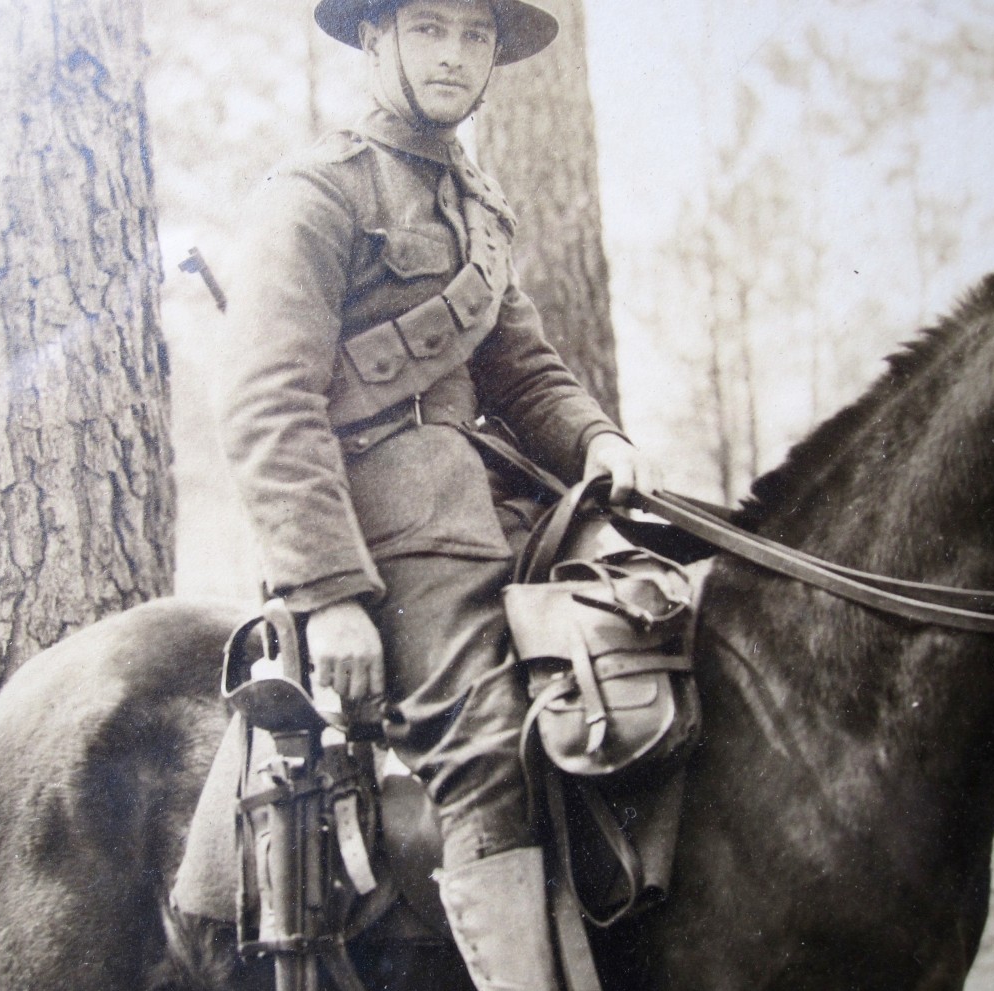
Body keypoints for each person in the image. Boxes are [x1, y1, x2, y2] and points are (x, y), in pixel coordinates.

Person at [182, 1, 656, 987]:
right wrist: (329, 593)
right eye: (429, 28)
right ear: (376, 40)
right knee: (490, 751)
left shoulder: (476, 205)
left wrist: (599, 439)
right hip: (382, 538)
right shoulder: (317, 191)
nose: (454, 55)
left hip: (497, 512)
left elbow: (523, 371)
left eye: (475, 35)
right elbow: (268, 402)